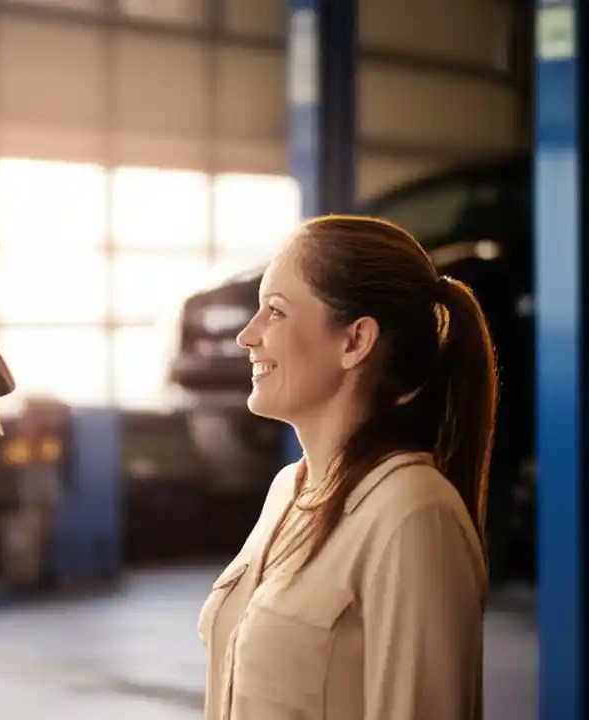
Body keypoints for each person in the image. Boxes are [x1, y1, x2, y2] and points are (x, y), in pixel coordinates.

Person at [197, 215, 496, 719]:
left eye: (275, 311)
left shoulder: (412, 512)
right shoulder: (287, 492)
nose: (248, 336)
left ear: (355, 341)